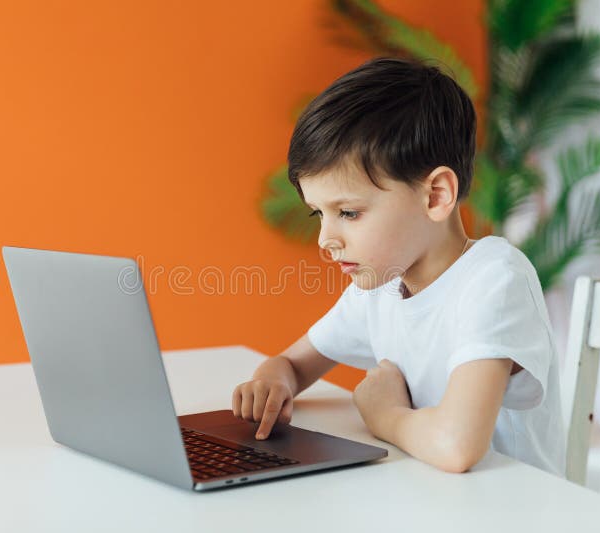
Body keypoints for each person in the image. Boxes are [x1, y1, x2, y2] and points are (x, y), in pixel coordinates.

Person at [231, 57, 566, 476]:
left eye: (349, 213)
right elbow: (293, 364)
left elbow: (457, 446)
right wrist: (273, 382)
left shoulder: (494, 279)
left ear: (435, 196)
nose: (325, 241)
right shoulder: (380, 289)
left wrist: (384, 414)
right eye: (319, 214)